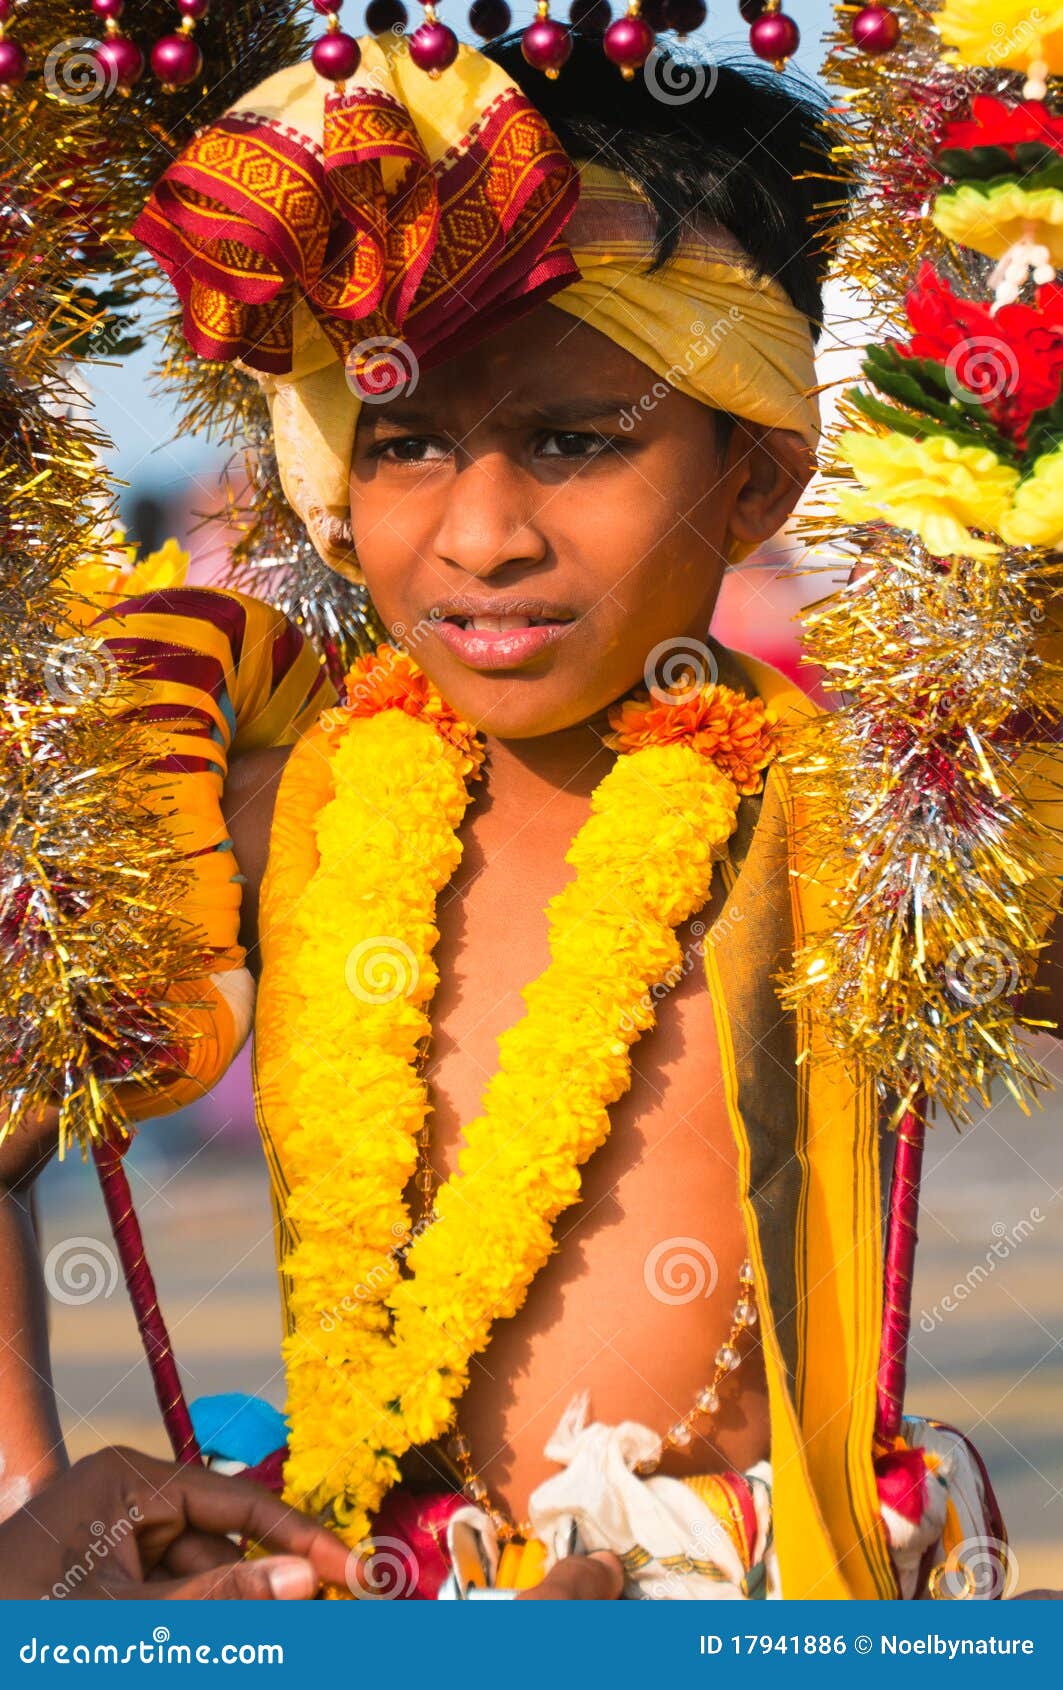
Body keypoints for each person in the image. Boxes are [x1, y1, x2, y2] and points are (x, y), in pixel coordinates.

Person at [1, 28, 1057, 1601]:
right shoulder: (265, 787)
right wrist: (32, 1499)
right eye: (409, 444)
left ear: (757, 479)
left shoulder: (869, 819)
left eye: (577, 441)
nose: (482, 535)